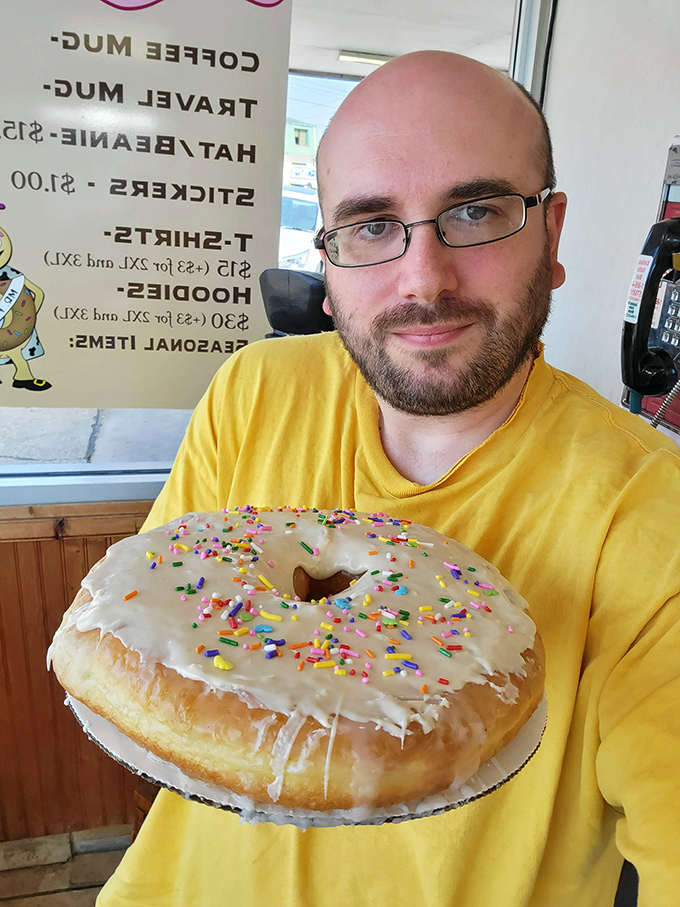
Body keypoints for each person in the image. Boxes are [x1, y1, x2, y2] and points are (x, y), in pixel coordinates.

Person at [97, 51, 680, 906]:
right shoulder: (255, 390)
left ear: (552, 237)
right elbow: (151, 664)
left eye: (476, 211)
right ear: (327, 270)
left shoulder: (648, 508)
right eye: (371, 226)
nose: (423, 280)